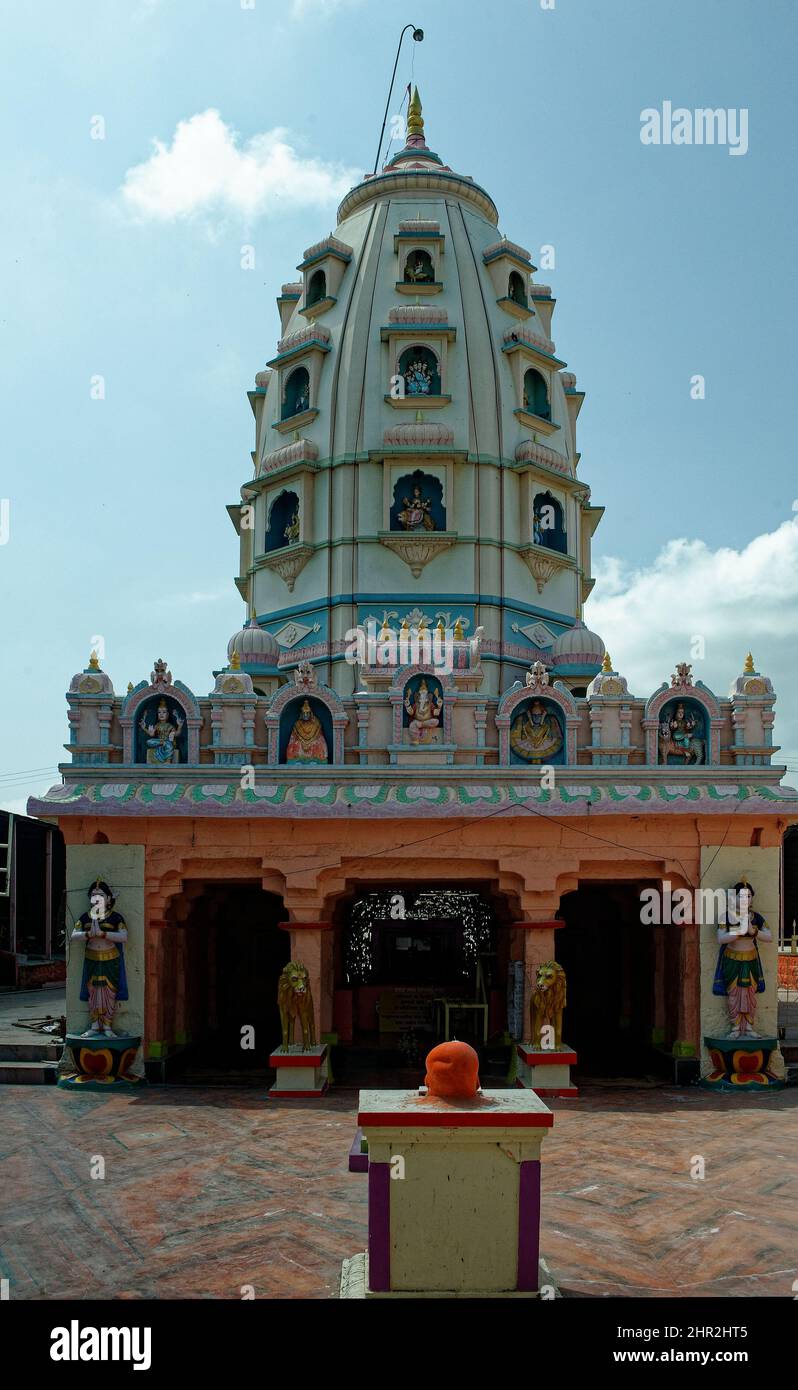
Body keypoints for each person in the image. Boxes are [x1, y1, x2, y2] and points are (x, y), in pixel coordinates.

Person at [713, 879, 772, 1037]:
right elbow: (720, 938)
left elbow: (769, 936)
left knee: (750, 994)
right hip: (732, 959)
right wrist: (739, 931)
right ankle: (736, 1026)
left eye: (748, 896)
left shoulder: (756, 918)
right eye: (741, 896)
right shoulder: (726, 917)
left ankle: (749, 1027)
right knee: (734, 993)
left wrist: (754, 932)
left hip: (750, 959)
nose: (745, 899)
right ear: (734, 898)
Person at [71, 880, 129, 1038]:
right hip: (92, 959)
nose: (97, 898)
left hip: (110, 959)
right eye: (94, 895)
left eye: (101, 895)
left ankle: (108, 1025)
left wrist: (103, 934)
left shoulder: (115, 917)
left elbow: (124, 937)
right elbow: (73, 936)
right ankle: (95, 1025)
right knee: (93, 992)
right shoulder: (85, 917)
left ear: (109, 899)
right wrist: (89, 934)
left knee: (109, 992)